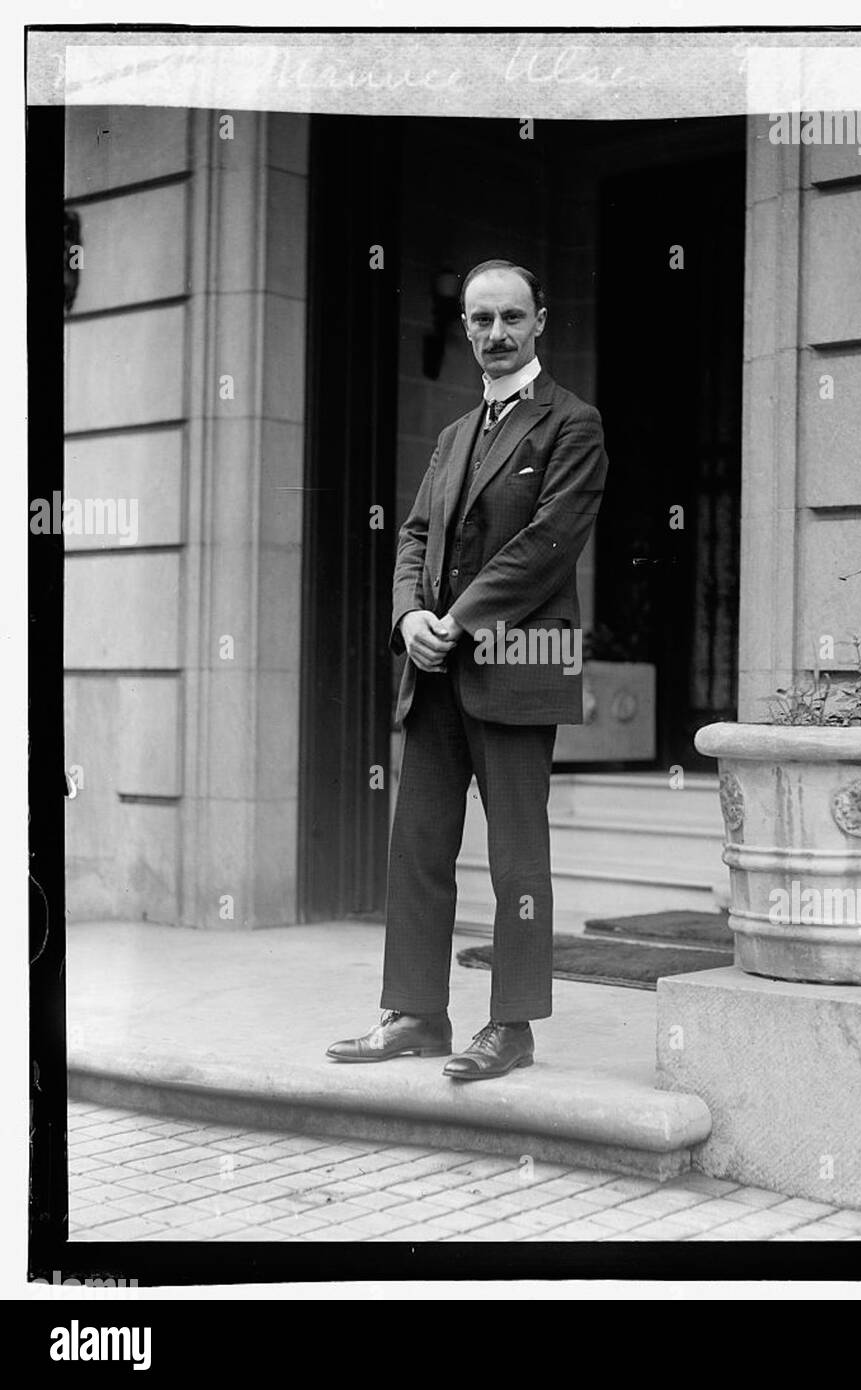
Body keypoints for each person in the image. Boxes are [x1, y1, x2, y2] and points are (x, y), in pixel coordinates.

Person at [327, 258, 608, 1080]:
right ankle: (416, 1014)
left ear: (540, 322)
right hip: (437, 665)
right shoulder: (454, 436)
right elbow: (415, 536)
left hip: (520, 660)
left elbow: (548, 545)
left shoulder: (573, 424)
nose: (495, 334)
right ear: (466, 329)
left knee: (518, 854)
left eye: (510, 318)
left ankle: (512, 1026)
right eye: (480, 321)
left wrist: (455, 619)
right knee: (417, 844)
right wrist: (409, 615)